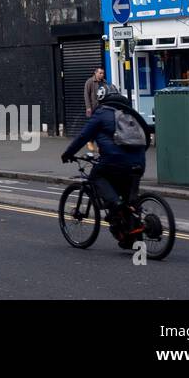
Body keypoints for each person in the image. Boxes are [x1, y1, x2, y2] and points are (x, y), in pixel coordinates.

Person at [61, 84, 153, 247]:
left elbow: (83, 137)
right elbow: (146, 133)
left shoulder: (101, 113)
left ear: (101, 99)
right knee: (130, 199)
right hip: (139, 161)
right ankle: (129, 234)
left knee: (97, 176)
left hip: (114, 161)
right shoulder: (130, 114)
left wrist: (68, 153)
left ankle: (116, 205)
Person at [84, 67, 106, 152]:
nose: (102, 75)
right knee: (93, 127)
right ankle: (90, 141)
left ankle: (100, 145)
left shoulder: (104, 82)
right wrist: (88, 107)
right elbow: (86, 95)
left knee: (102, 127)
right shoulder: (90, 82)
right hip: (93, 108)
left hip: (102, 108)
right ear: (95, 73)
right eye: (100, 73)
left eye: (103, 73)